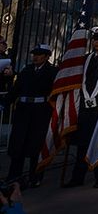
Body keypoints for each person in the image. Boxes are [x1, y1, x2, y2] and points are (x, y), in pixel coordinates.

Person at [64, 26, 98, 188]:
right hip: (85, 109)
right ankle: (77, 177)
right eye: (94, 39)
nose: (96, 42)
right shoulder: (86, 59)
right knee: (82, 144)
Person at [4, 44, 56, 186]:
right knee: (18, 145)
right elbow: (16, 89)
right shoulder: (26, 70)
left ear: (46, 56)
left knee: (36, 145)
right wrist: (6, 102)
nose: (35, 57)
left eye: (39, 55)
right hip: (23, 111)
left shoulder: (51, 71)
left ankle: (35, 176)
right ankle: (14, 175)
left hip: (40, 112)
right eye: (34, 54)